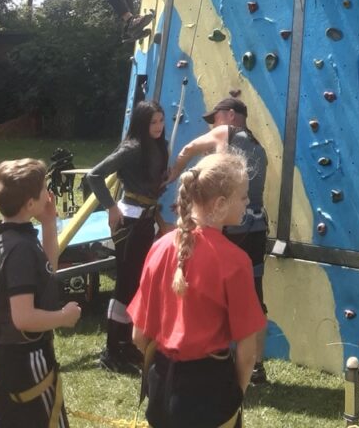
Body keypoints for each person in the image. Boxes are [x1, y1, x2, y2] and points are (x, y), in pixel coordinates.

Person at [128, 152, 267, 428]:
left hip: (162, 388)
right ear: (220, 204)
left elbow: (138, 336)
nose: (248, 202)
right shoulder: (235, 261)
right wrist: (236, 394)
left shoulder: (159, 247)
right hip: (211, 391)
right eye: (243, 196)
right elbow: (248, 351)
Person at [166, 97, 270, 385]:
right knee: (254, 294)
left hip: (230, 224)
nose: (214, 124)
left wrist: (173, 173)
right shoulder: (258, 147)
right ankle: (257, 366)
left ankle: (214, 351)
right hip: (257, 225)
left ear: (232, 116)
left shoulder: (228, 133)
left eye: (217, 117)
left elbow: (188, 148)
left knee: (214, 289)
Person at [0, 158, 82, 428]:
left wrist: (49, 223)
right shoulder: (21, 250)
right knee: (49, 419)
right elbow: (24, 317)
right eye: (44, 189)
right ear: (29, 204)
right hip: (27, 357)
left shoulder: (4, 236)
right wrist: (63, 317)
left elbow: (46, 269)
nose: (48, 193)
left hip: (8, 351)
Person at [83, 101, 169, 374]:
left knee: (137, 285)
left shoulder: (158, 146)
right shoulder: (132, 148)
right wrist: (110, 207)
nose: (158, 127)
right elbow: (94, 175)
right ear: (142, 123)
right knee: (125, 286)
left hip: (146, 221)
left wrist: (160, 221)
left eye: (161, 121)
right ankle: (112, 351)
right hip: (129, 222)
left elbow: (150, 193)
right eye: (153, 122)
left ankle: (128, 344)